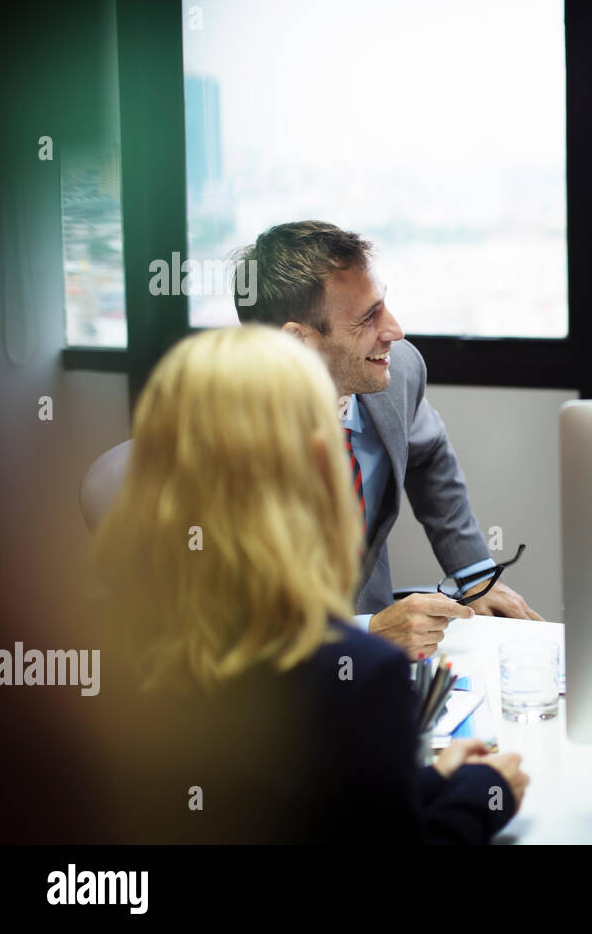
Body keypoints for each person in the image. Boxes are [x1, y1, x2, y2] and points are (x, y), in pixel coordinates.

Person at [92, 326, 528, 843]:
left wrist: (429, 783)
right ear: (325, 470)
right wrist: (479, 796)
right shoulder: (358, 680)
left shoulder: (96, 658)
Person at [231, 221, 541, 658]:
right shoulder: (224, 446)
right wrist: (368, 634)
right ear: (298, 340)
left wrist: (473, 574)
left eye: (384, 305)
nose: (394, 330)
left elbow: (429, 455)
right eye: (366, 319)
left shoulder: (397, 375)